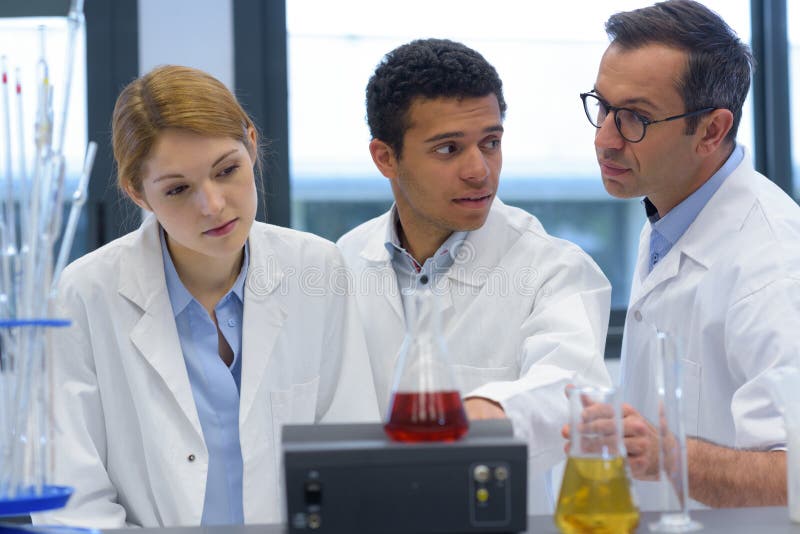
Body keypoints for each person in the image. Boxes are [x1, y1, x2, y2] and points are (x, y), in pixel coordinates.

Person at [33, 65, 379, 528]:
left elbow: (350, 458)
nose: (213, 205)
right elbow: (72, 502)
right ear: (138, 192)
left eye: (227, 170)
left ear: (251, 144)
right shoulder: (85, 295)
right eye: (178, 189)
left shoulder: (317, 268)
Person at [337, 38, 613, 513]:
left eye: (491, 143)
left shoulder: (553, 267)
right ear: (385, 157)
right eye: (448, 148)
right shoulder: (341, 262)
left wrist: (483, 411)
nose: (479, 170)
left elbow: (570, 388)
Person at [581, 0, 800, 508]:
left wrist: (670, 457)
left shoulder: (775, 269)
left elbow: (792, 473)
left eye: (635, 118)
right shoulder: (670, 207)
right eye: (603, 106)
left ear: (711, 131)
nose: (604, 139)